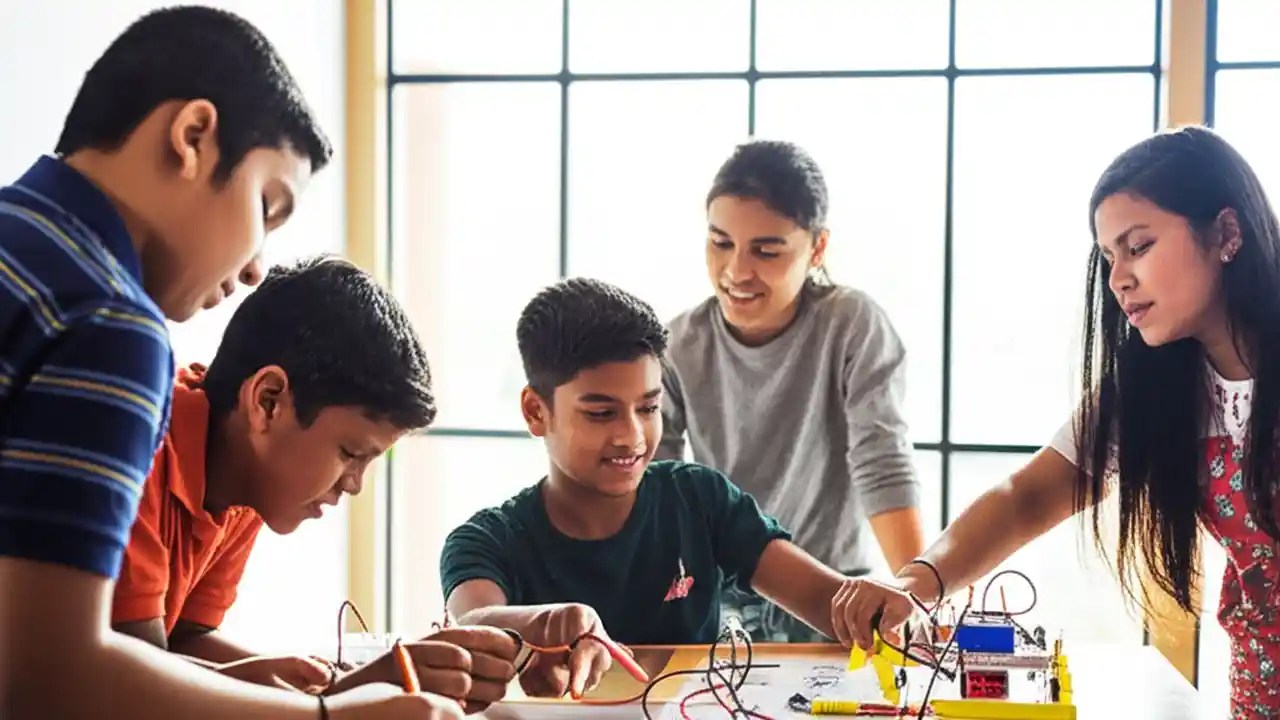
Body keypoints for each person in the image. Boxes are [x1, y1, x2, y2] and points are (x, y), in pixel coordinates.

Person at [0, 6, 461, 719]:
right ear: (191, 138)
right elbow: (49, 680)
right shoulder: (108, 323)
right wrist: (327, 717)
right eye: (267, 206)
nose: (252, 268)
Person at [839, 126, 1280, 719]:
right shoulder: (1157, 388)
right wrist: (915, 582)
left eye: (1140, 246)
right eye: (1109, 256)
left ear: (1226, 233)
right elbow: (1030, 493)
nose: (1119, 277)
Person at [439, 277, 886, 699]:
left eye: (649, 407)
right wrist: (549, 622)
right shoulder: (484, 542)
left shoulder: (698, 499)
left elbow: (831, 601)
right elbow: (475, 624)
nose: (631, 436)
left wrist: (888, 606)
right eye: (601, 413)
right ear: (536, 412)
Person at [111, 255, 518, 712]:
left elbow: (187, 635)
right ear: (269, 402)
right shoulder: (136, 449)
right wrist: (340, 697)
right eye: (349, 453)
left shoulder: (242, 474)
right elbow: (137, 675)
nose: (355, 485)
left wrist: (340, 678)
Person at [657, 139, 926, 642]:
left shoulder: (851, 324)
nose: (737, 271)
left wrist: (915, 599)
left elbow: (881, 460)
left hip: (835, 595)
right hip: (722, 604)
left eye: (766, 250)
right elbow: (656, 494)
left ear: (817, 248)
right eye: (720, 243)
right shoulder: (677, 346)